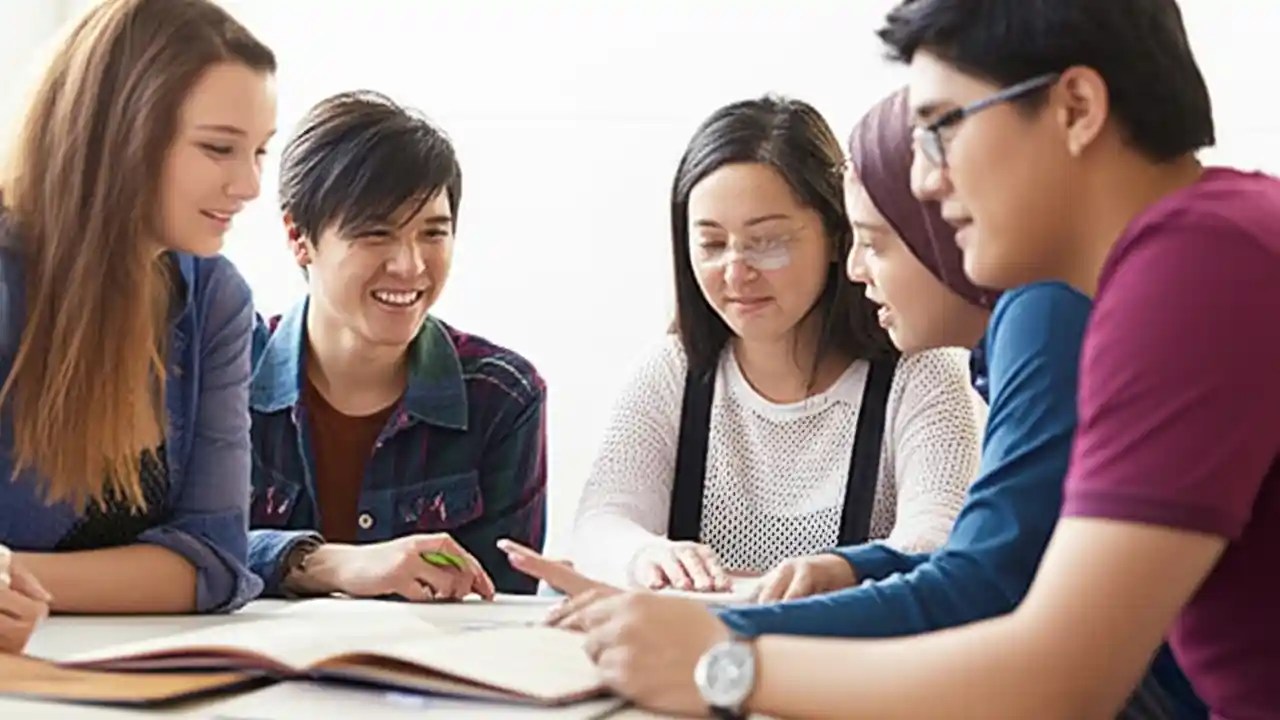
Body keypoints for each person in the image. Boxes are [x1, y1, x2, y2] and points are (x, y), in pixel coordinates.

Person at [511, 1, 1280, 718]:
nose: (922, 178)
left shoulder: (1194, 271)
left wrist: (724, 661)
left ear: (1076, 108)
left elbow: (1061, 671)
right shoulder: (1194, 253)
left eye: (943, 127)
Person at [567, 95, 985, 593]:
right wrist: (645, 556)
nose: (736, 271)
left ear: (837, 236)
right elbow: (599, 525)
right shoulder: (675, 370)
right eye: (712, 244)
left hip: (843, 663)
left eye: (767, 241)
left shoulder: (921, 371)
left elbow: (937, 539)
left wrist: (834, 575)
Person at [0, 0, 277, 654]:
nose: (250, 184)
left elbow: (213, 560)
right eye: (218, 148)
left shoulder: (216, 300)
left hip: (112, 673)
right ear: (116, 130)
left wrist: (18, 578)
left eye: (261, 150)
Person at [247, 91, 547, 602]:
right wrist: (326, 564)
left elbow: (499, 607)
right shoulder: (226, 374)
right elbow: (181, 554)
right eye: (376, 234)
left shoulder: (502, 397)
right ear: (299, 236)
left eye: (434, 233)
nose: (409, 266)